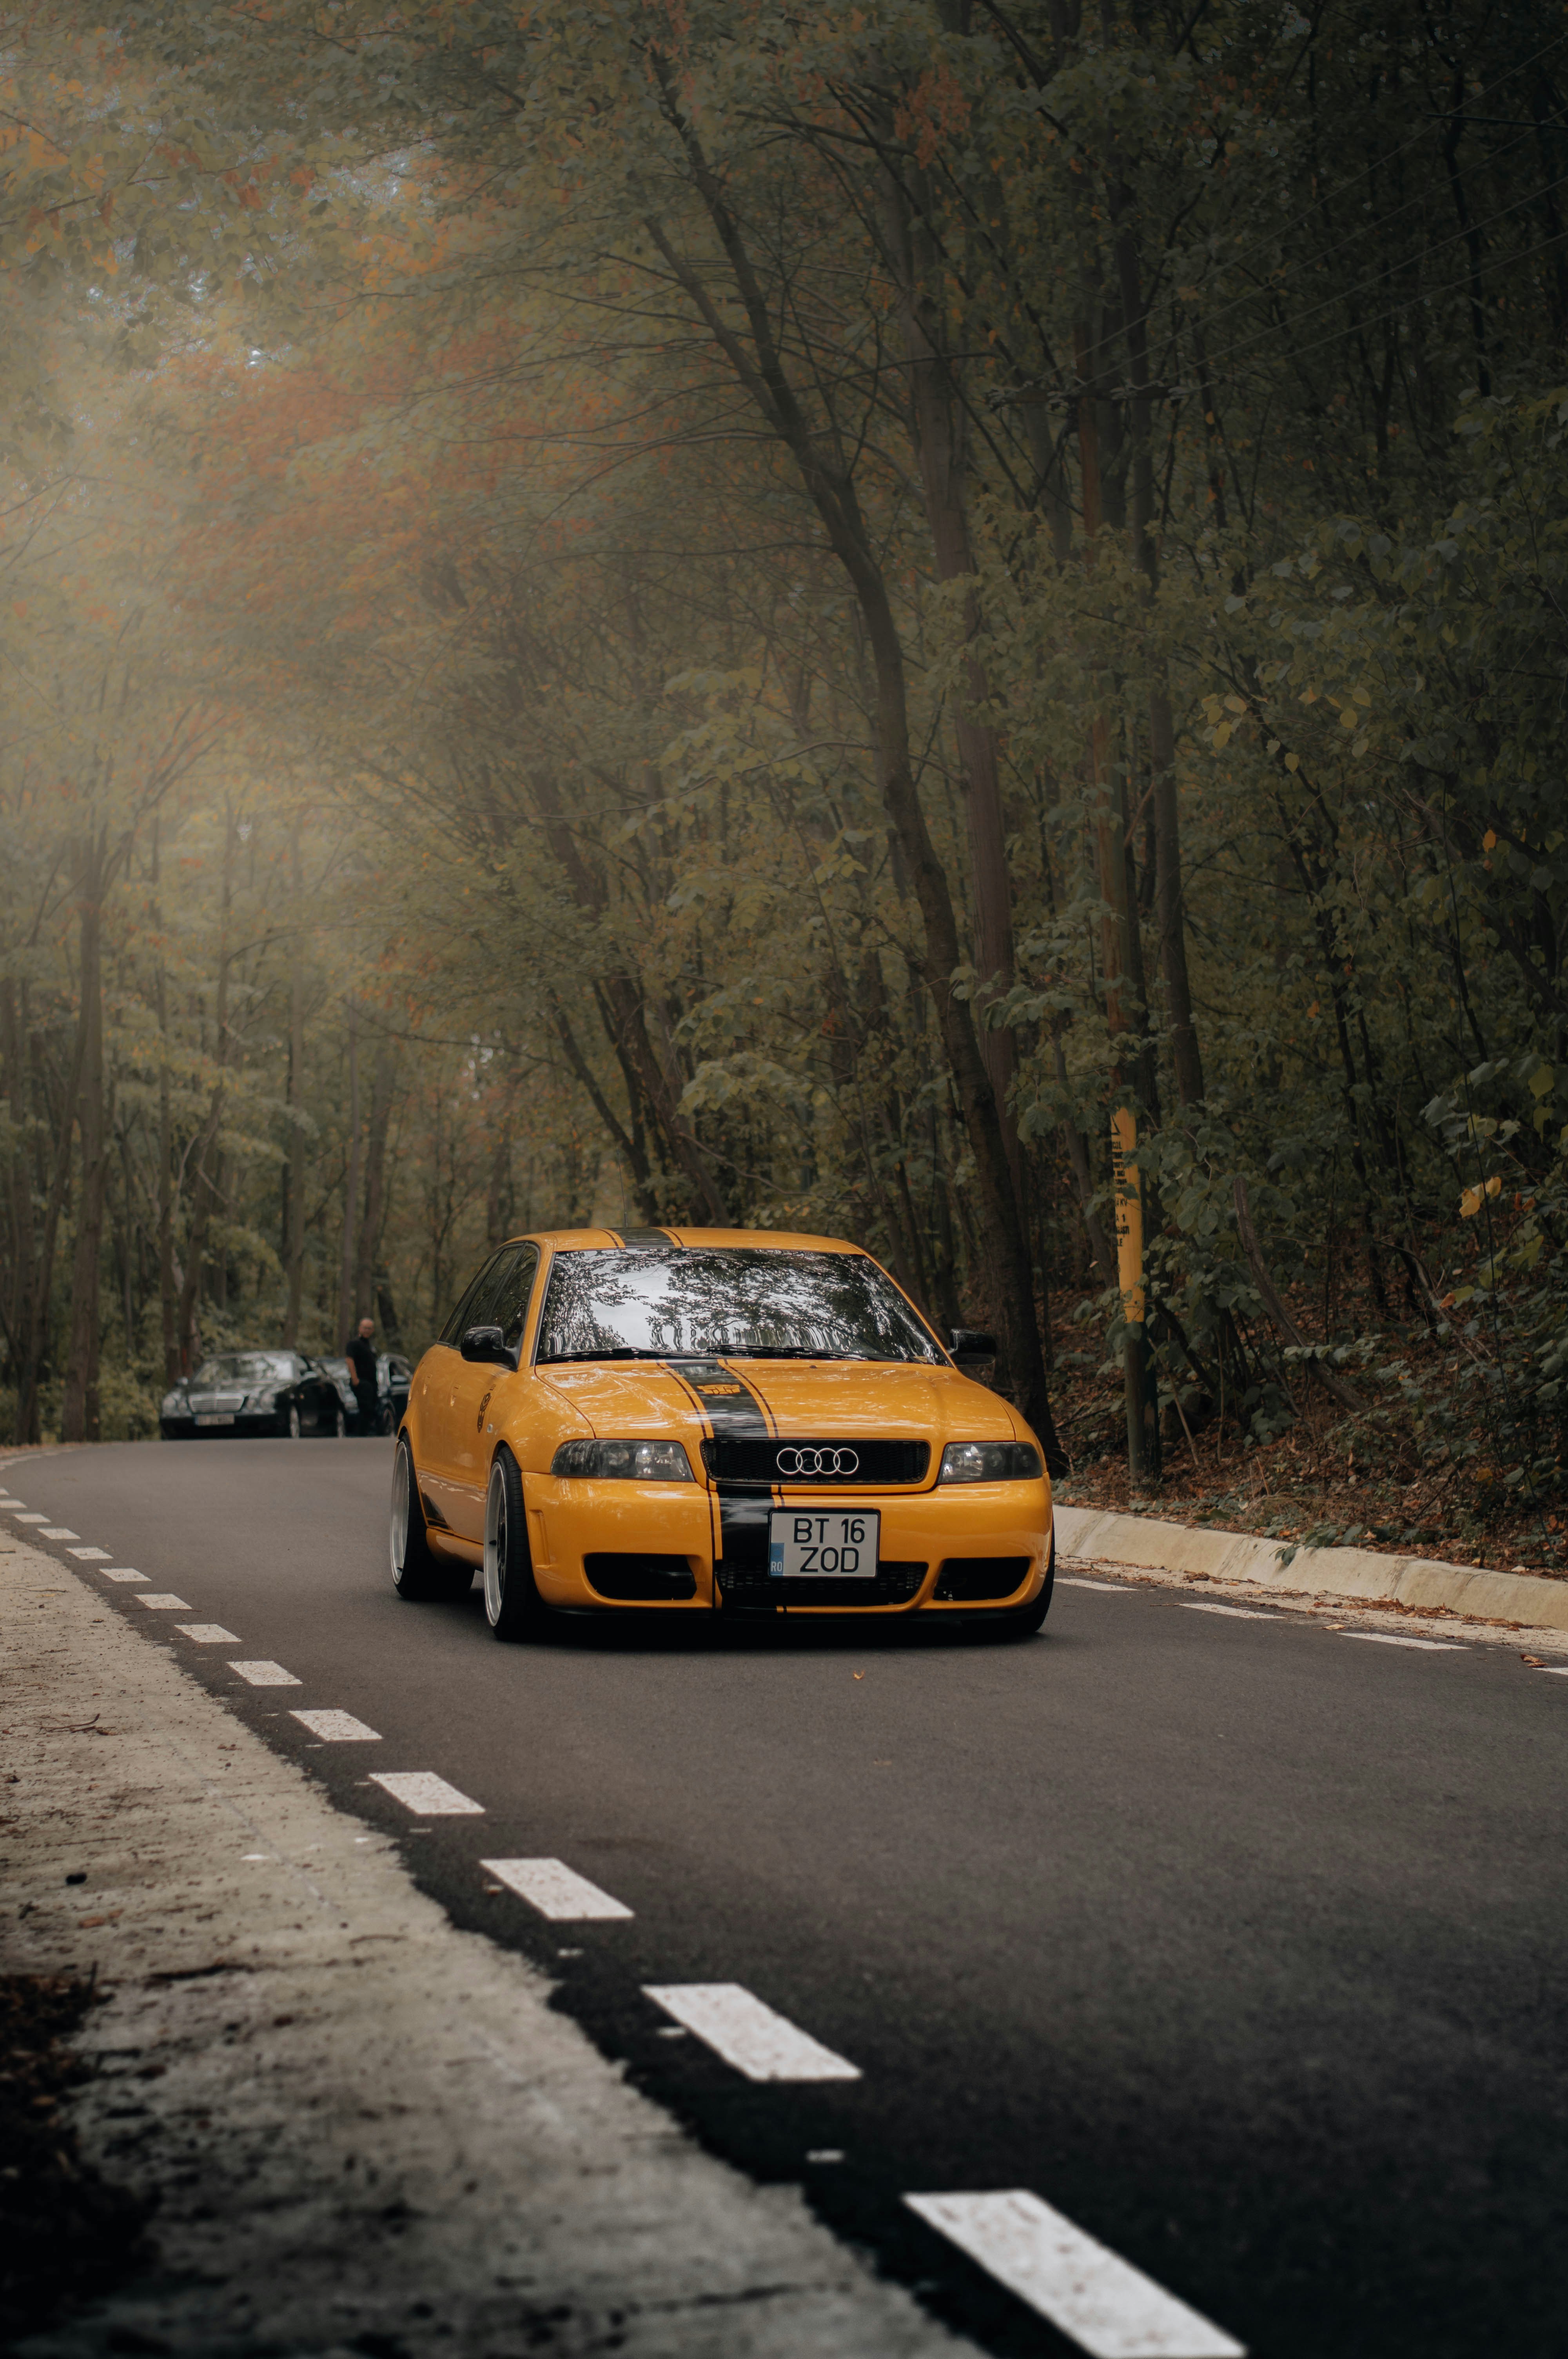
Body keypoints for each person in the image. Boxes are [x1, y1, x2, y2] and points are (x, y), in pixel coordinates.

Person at [345, 1315, 378, 1434]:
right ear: (360, 1328)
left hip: (372, 1382)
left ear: (373, 1330)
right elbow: (349, 1360)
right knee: (365, 1408)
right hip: (361, 1382)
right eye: (365, 1328)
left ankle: (366, 1432)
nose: (367, 1331)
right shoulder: (354, 1344)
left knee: (371, 1408)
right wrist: (355, 1379)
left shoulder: (370, 1346)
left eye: (369, 1328)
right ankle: (360, 1434)